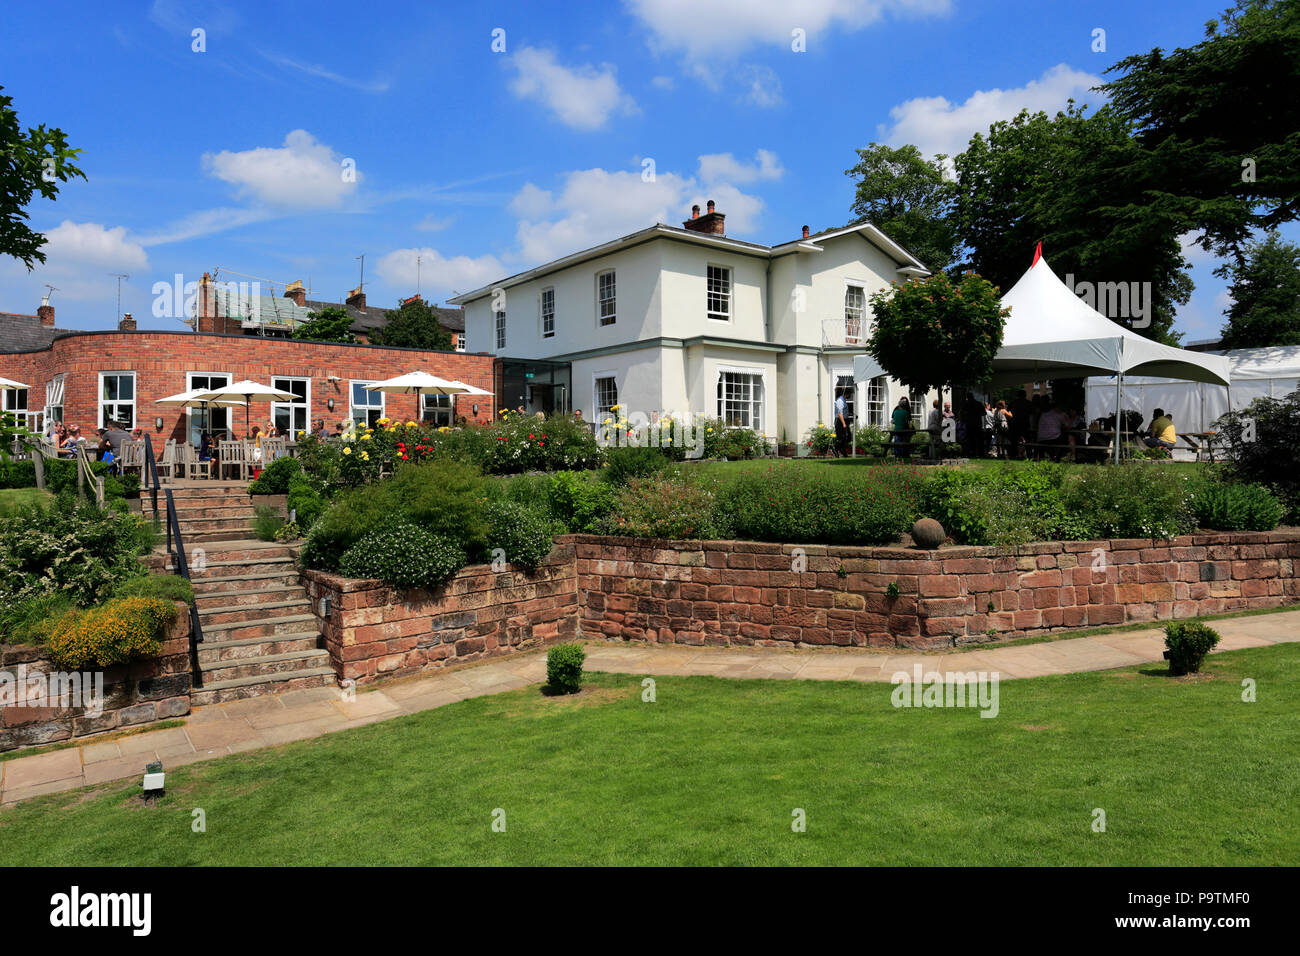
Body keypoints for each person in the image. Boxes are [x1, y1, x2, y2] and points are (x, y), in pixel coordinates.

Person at [834, 392, 851, 457]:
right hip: (840, 421)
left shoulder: (844, 401)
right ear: (845, 393)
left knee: (848, 437)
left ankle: (841, 449)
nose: (850, 395)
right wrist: (844, 423)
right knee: (842, 437)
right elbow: (840, 413)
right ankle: (837, 448)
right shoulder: (840, 401)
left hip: (845, 420)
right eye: (849, 393)